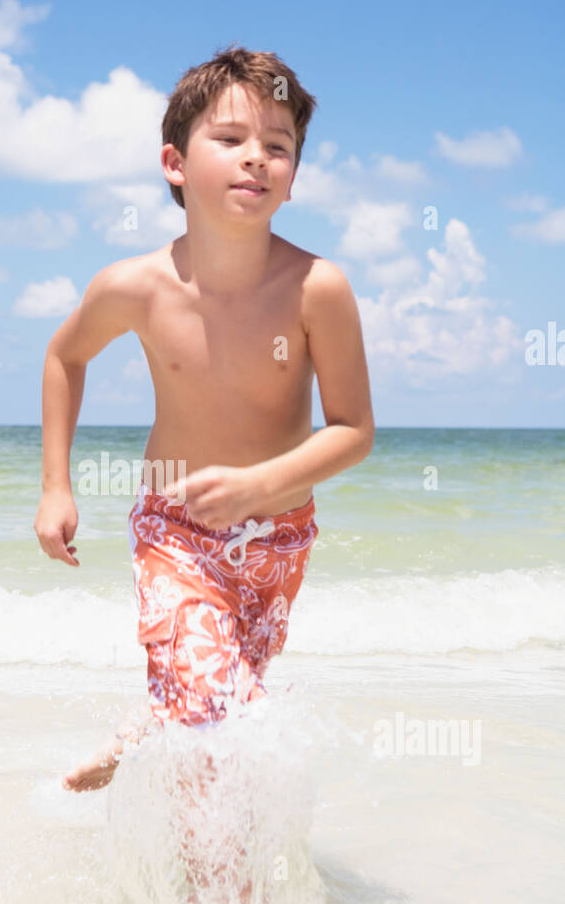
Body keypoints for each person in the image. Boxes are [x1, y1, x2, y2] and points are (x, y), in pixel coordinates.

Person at [34, 43, 374, 800]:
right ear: (175, 163)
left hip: (278, 538)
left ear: (292, 181)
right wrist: (56, 487)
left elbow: (354, 428)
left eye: (277, 147)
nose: (256, 158)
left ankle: (144, 729)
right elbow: (64, 357)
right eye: (230, 140)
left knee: (228, 695)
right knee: (227, 720)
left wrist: (261, 486)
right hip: (175, 527)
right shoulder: (137, 287)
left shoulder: (318, 289)